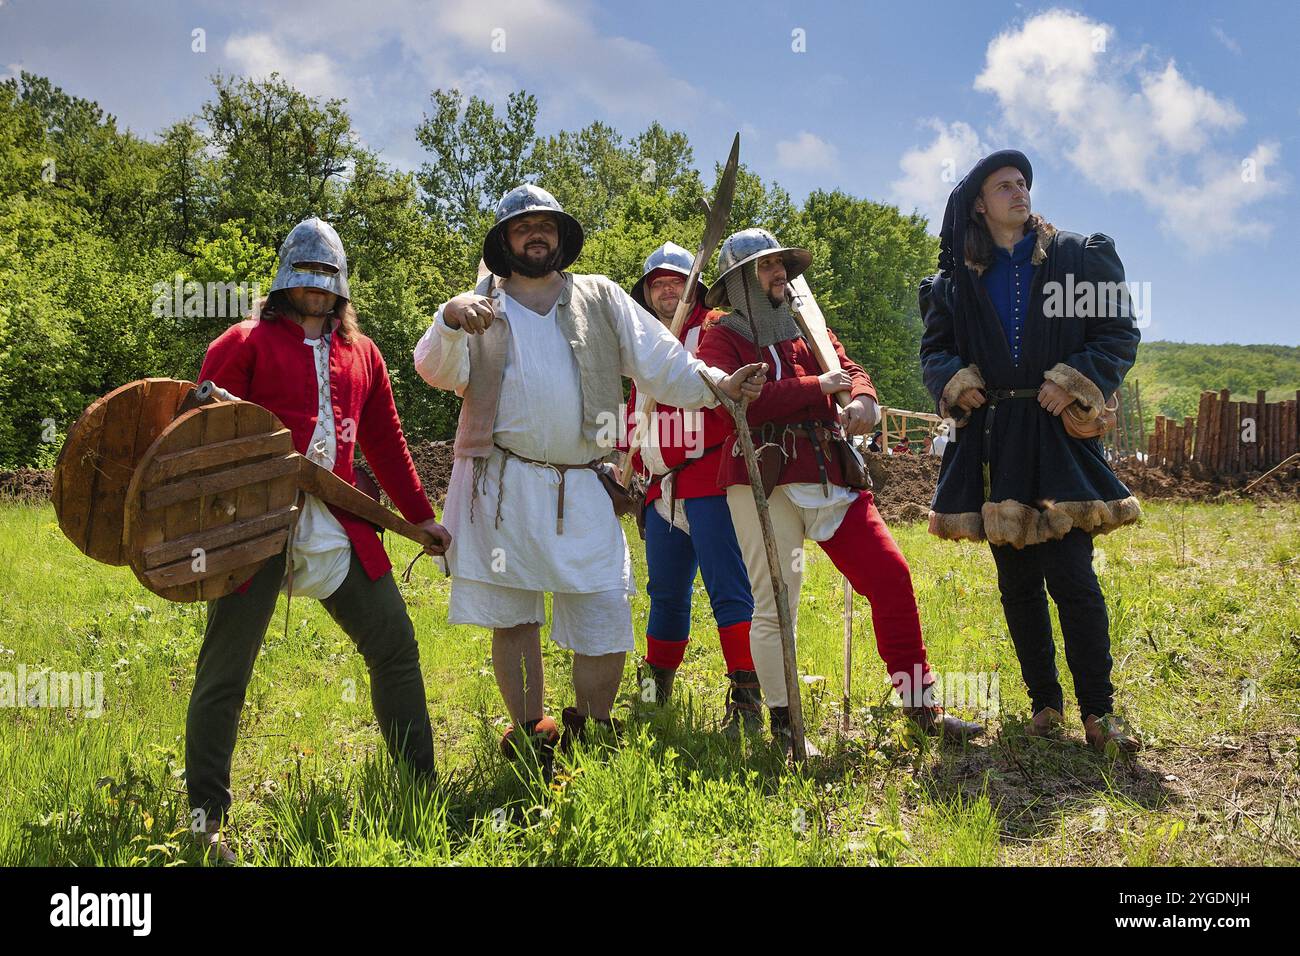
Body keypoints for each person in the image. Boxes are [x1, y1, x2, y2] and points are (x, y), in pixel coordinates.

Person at [414, 185, 765, 767]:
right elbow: (434, 369)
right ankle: (532, 736)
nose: (536, 234)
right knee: (515, 613)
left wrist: (719, 387)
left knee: (603, 608)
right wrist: (449, 320)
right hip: (504, 484)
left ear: (561, 235)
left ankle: (592, 729)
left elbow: (662, 361)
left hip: (585, 482)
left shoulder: (599, 298)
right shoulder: (478, 302)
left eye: (546, 225)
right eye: (523, 226)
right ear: (504, 240)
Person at [190, 217, 450, 861]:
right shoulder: (242, 342)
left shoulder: (362, 355)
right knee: (226, 669)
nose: (316, 291)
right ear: (285, 281)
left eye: (327, 280)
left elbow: (386, 442)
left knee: (394, 644)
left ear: (341, 288)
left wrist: (421, 517)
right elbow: (202, 437)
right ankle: (205, 824)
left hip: (338, 524)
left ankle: (420, 789)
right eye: (306, 279)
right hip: (255, 527)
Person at [696, 228, 984, 755]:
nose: (779, 272)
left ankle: (920, 707)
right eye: (765, 266)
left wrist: (864, 399)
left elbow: (849, 369)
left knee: (891, 575)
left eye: (781, 263)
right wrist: (817, 388)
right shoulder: (720, 339)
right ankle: (787, 727)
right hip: (762, 477)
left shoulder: (807, 325)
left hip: (828, 469)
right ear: (738, 282)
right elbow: (741, 403)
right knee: (776, 604)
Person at [918, 149, 1142, 753]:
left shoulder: (1075, 257)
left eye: (1023, 184)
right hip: (993, 437)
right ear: (978, 205)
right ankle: (1044, 701)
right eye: (1004, 186)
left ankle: (1099, 711)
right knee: (1016, 580)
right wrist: (955, 382)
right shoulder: (954, 281)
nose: (1020, 192)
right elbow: (934, 352)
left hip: (1055, 434)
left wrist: (1074, 379)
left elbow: (1119, 333)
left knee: (1072, 576)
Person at [622, 242, 762, 734]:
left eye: (675, 282)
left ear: (693, 286)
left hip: (711, 478)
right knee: (665, 593)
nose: (666, 291)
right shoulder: (641, 340)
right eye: (657, 284)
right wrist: (631, 471)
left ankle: (747, 700)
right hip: (660, 488)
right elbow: (637, 415)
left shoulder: (719, 327)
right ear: (647, 292)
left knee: (729, 590)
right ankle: (650, 693)